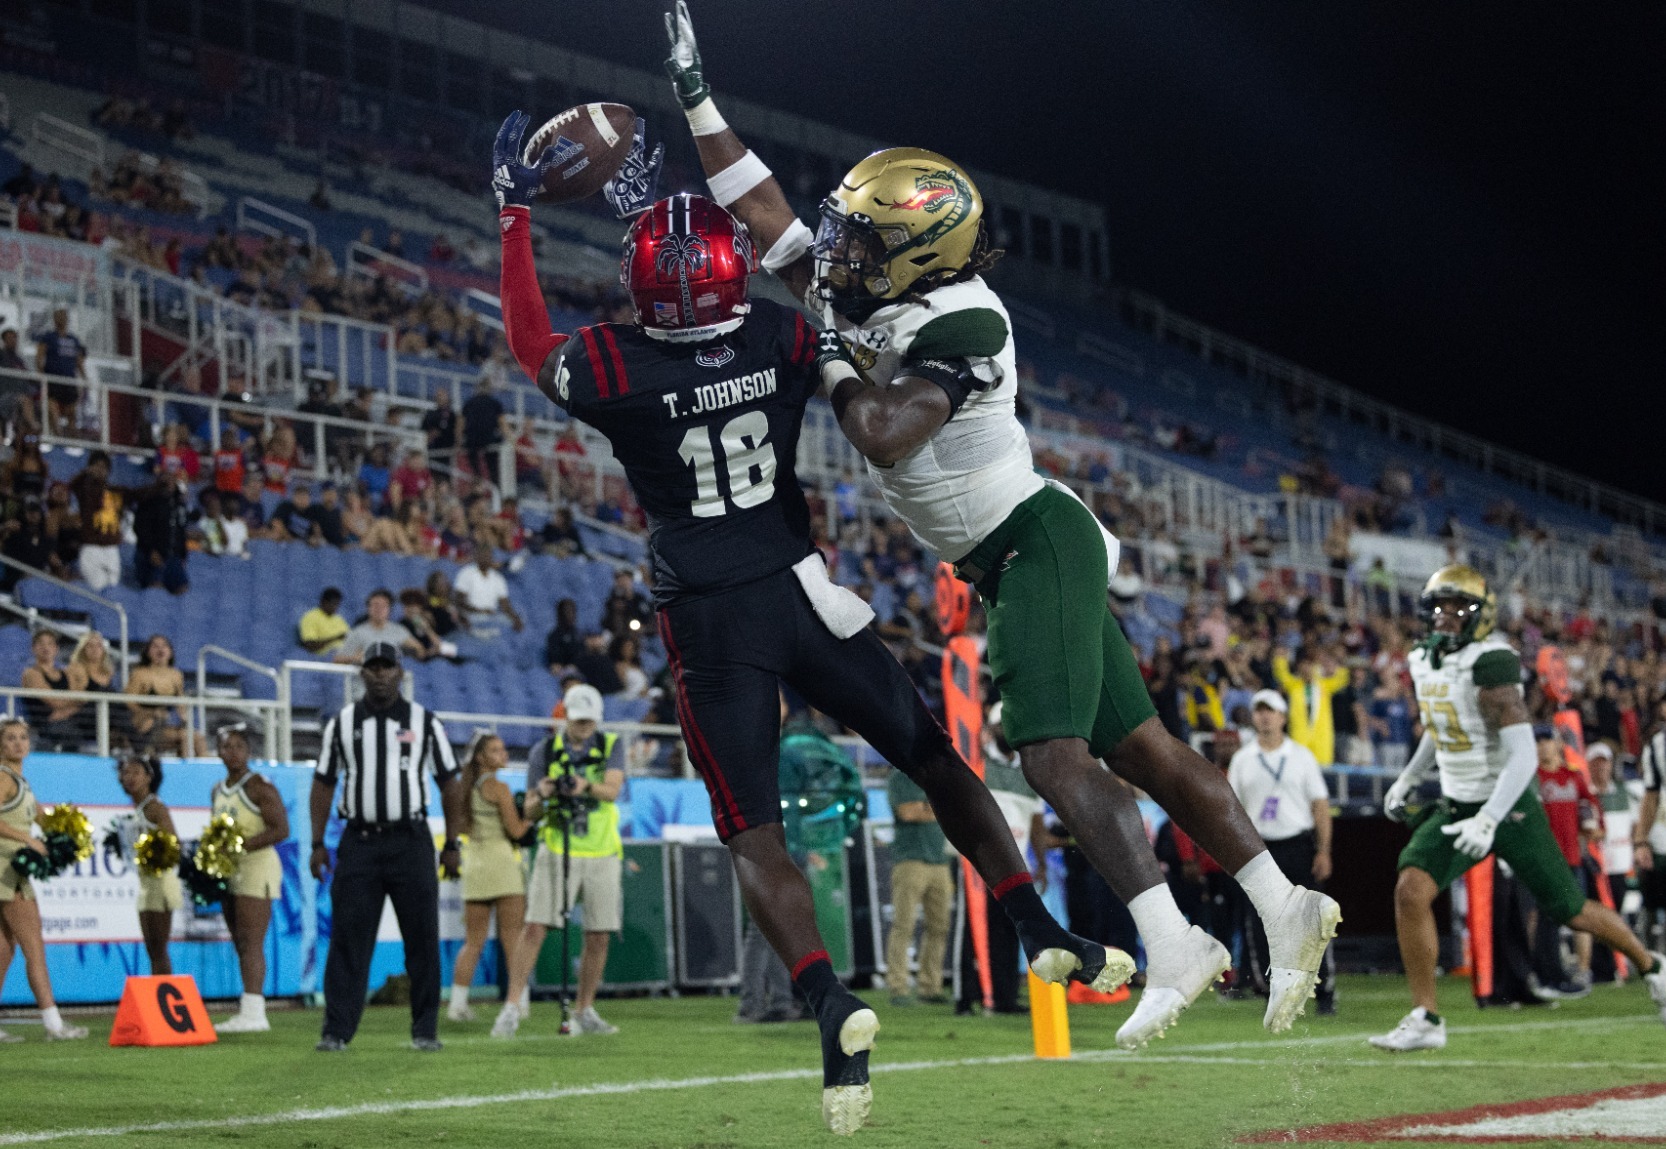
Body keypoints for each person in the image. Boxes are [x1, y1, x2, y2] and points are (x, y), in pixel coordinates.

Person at [664, 1, 1335, 1052]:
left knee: (1048, 752)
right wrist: (698, 99)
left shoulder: (963, 319)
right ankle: (1282, 903)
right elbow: (762, 212)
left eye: (865, 239)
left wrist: (826, 354)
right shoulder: (882, 286)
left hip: (1032, 543)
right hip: (1020, 544)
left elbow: (883, 432)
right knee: (1147, 748)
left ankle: (1173, 942)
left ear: (922, 250)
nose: (837, 250)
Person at [496, 109, 1120, 1132]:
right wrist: (662, 208)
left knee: (754, 836)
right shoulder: (781, 335)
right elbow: (728, 278)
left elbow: (534, 336)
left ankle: (831, 1002)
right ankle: (1035, 923)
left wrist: (517, 218)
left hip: (710, 622)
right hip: (805, 594)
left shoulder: (612, 366)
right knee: (935, 761)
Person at [1370, 566, 1666, 1051]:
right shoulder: (1423, 659)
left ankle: (1653, 968)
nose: (1446, 616)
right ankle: (1426, 1016)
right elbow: (1441, 726)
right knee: (1410, 889)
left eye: (1457, 607)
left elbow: (1524, 754)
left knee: (1568, 909)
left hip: (1509, 806)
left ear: (1479, 616)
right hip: (1458, 803)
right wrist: (1409, 776)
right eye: (1439, 606)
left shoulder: (1491, 662)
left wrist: (1489, 818)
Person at [310, 643, 464, 1052]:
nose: (379, 674)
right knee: (348, 938)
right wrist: (315, 842)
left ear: (400, 672)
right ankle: (336, 1031)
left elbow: (450, 782)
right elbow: (323, 783)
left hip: (410, 841)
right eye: (372, 667)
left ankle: (425, 1030)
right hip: (359, 841)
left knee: (422, 938)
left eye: (386, 667)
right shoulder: (342, 722)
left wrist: (452, 841)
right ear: (361, 673)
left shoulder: (424, 721)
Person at [495, 685, 624, 1037]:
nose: (585, 727)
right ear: (566, 717)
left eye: (590, 721)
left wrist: (584, 786)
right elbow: (530, 811)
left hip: (601, 850)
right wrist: (544, 793)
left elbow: (612, 790)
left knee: (599, 933)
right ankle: (511, 1006)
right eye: (579, 720)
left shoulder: (610, 745)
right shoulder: (544, 750)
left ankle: (584, 1009)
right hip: (556, 846)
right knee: (536, 926)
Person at [1226, 690, 1336, 1015]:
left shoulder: (1301, 756)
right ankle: (1272, 991)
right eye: (1258, 711)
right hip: (1259, 849)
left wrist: (1323, 850)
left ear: (1283, 717)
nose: (1263, 717)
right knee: (1261, 924)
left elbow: (1320, 806)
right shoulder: (1243, 759)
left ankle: (1324, 989)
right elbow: (1232, 811)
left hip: (1297, 844)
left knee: (1311, 921)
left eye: (1270, 711)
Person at [0, 718, 89, 1041]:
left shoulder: (22, 781)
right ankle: (54, 1024)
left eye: (23, 737)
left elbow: (44, 819)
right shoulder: (3, 777)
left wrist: (73, 831)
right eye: (10, 738)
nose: (18, 743)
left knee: (4, 948)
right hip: (6, 871)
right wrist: (27, 840)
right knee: (33, 946)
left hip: (11, 869)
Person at [447, 731, 533, 1022]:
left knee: (473, 942)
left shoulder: (462, 789)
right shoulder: (498, 788)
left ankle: (457, 1005)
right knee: (513, 939)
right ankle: (519, 1003)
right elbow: (517, 831)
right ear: (482, 757)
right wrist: (533, 813)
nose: (503, 754)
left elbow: (459, 828)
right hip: (503, 867)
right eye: (496, 750)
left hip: (475, 866)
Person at [209, 725, 288, 1034]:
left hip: (257, 868)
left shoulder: (259, 786)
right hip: (230, 869)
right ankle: (247, 1009)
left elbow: (281, 829)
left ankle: (255, 1011)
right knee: (240, 940)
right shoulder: (217, 789)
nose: (233, 753)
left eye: (239, 747)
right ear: (218, 750)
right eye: (227, 747)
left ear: (249, 752)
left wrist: (241, 846)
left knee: (252, 940)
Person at [113, 752, 180, 975]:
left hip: (161, 882)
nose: (130, 777)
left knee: (159, 950)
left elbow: (173, 845)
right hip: (147, 883)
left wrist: (150, 852)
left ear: (149, 777)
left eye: (136, 772)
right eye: (126, 772)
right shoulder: (139, 808)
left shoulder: (155, 807)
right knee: (153, 950)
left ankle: (163, 1000)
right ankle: (157, 998)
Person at [127, 634, 206, 756]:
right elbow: (128, 701)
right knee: (185, 738)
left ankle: (202, 773)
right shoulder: (140, 674)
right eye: (155, 646)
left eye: (164, 646)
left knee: (198, 738)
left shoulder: (176, 675)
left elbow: (180, 702)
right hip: (146, 726)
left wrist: (184, 718)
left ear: (170, 652)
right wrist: (149, 713)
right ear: (148, 652)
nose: (160, 650)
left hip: (167, 726)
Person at [68, 450, 125, 592]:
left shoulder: (113, 492)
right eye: (97, 466)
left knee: (112, 591)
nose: (100, 470)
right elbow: (71, 486)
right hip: (90, 547)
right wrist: (86, 473)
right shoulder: (84, 489)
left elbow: (135, 496)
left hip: (111, 548)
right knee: (97, 590)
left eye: (104, 467)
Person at [20, 630, 81, 751]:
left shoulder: (66, 673)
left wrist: (64, 713)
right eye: (41, 644)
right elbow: (54, 701)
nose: (45, 647)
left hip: (66, 720)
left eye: (50, 644)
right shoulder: (31, 673)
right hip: (45, 723)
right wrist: (72, 704)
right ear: (33, 648)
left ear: (56, 649)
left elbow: (80, 699)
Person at [333, 588, 423, 665]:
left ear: (389, 609)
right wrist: (354, 658)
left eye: (383, 606)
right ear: (368, 608)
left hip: (390, 680)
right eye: (375, 605)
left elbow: (419, 650)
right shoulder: (357, 632)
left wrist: (404, 653)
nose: (379, 609)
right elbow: (337, 660)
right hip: (363, 681)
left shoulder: (398, 630)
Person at [453, 541, 524, 636]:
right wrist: (479, 611)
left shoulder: (498, 578)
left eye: (487, 555)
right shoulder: (466, 573)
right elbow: (458, 601)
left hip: (491, 617)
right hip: (471, 616)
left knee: (514, 622)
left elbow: (505, 606)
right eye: (482, 555)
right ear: (476, 556)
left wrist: (515, 618)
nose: (485, 558)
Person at [34, 307, 86, 435]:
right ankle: (57, 434)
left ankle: (72, 437)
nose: (61, 319)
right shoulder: (49, 337)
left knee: (71, 412)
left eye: (63, 316)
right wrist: (41, 375)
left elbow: (78, 361)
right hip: (53, 379)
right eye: (58, 316)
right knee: (53, 408)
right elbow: (39, 356)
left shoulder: (73, 339)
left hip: (69, 380)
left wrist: (85, 378)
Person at [299, 587, 350, 655]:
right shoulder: (310, 617)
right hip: (323, 656)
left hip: (344, 654)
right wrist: (335, 638)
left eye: (337, 604)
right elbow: (310, 645)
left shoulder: (339, 619)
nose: (335, 607)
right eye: (333, 604)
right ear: (324, 602)